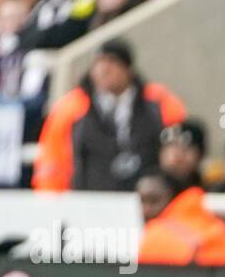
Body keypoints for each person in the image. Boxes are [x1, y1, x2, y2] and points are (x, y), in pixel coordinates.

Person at [32, 39, 187, 191]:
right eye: (98, 63)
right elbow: (52, 158)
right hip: (90, 198)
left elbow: (179, 146)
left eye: (112, 62)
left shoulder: (157, 100)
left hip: (148, 200)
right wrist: (52, 200)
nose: (103, 70)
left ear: (128, 68)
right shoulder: (71, 107)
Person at [136, 171, 225, 267]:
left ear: (173, 197)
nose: (146, 209)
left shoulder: (156, 235)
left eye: (154, 200)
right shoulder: (222, 229)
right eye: (142, 201)